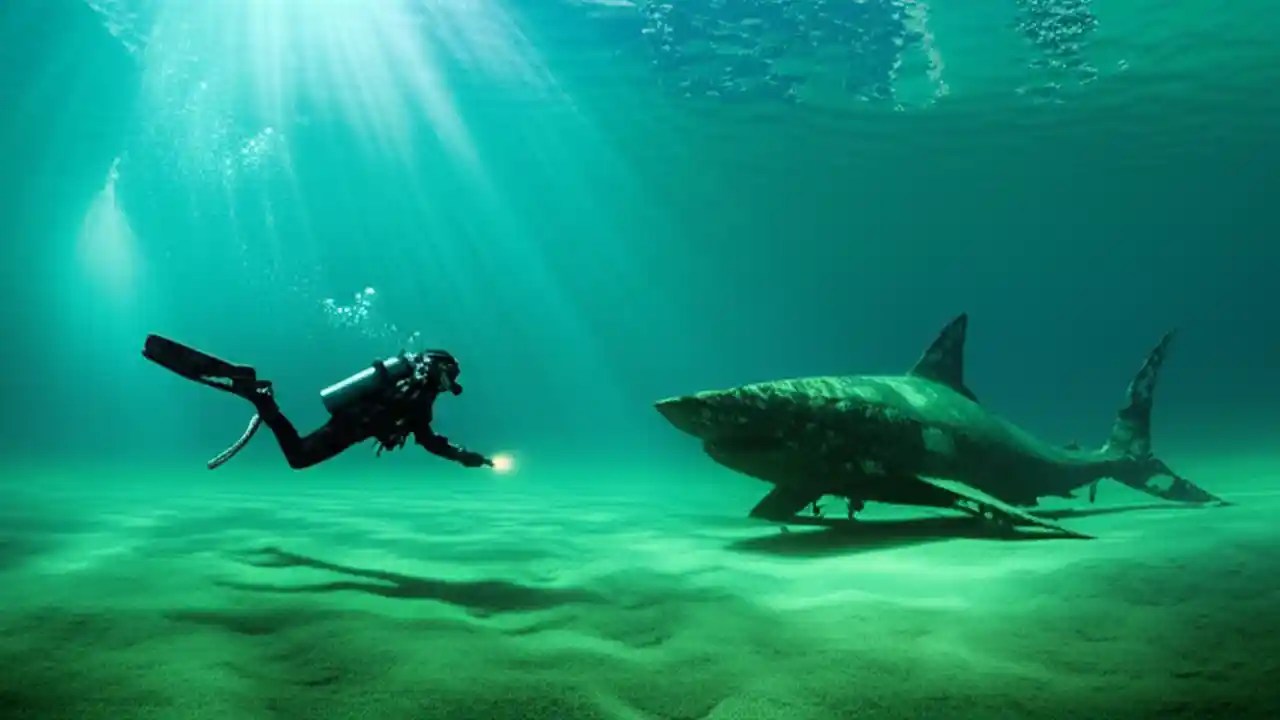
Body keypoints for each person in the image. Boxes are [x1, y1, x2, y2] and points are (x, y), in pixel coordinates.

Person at [142, 335, 495, 470]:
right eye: (451, 375)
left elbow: (426, 438)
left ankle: (261, 399)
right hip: (348, 427)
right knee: (298, 458)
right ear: (439, 369)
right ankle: (261, 399)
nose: (452, 384)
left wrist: (464, 456)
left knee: (298, 456)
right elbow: (427, 438)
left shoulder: (419, 392)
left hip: (350, 424)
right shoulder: (418, 392)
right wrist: (463, 456)